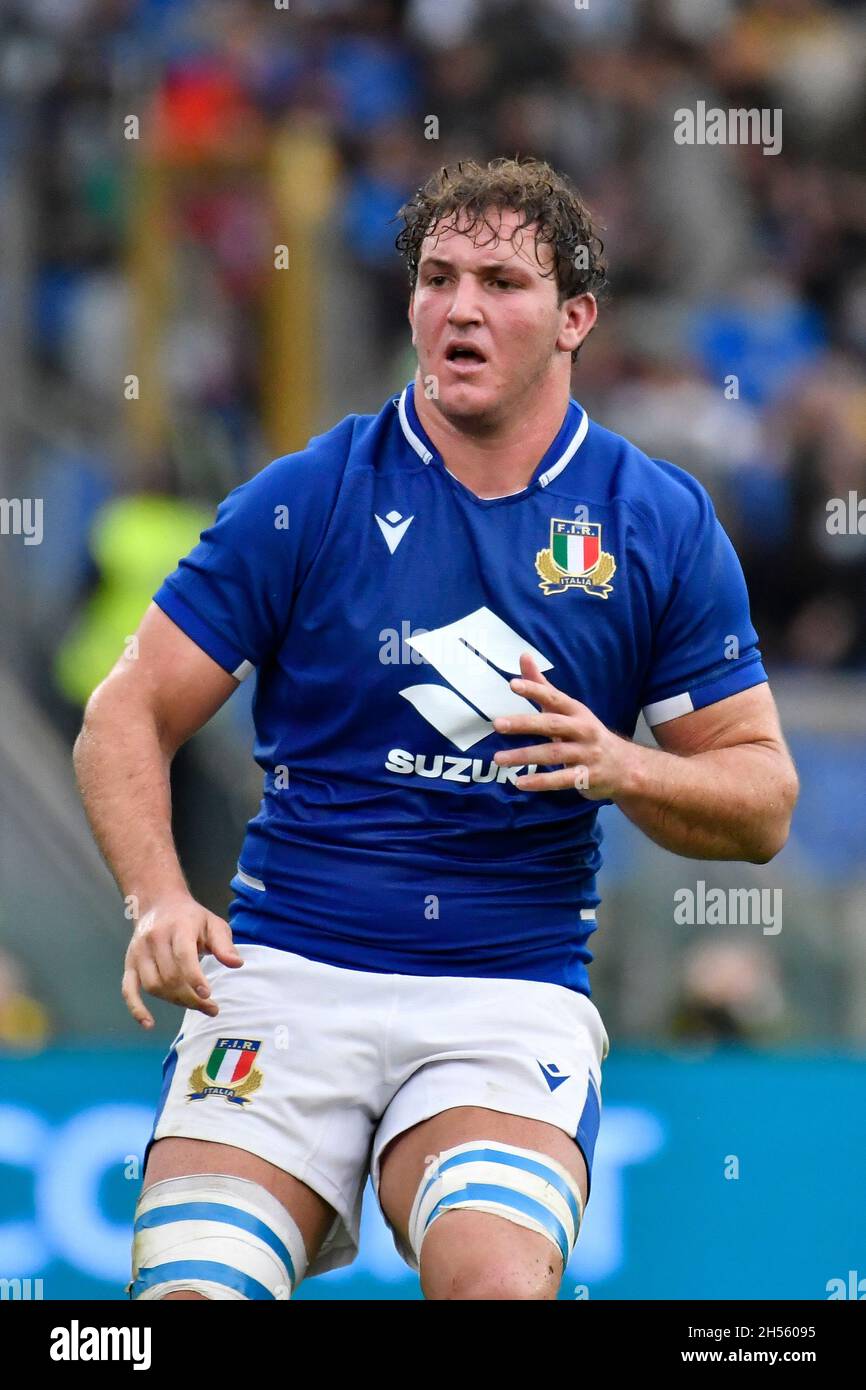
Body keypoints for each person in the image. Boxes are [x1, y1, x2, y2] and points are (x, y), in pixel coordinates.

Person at [73, 157, 799, 1301]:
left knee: (493, 1284)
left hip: (501, 992)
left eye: (501, 281)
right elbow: (125, 710)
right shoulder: (307, 494)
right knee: (188, 1298)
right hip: (285, 972)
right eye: (437, 277)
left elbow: (761, 801)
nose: (460, 306)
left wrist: (621, 766)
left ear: (573, 319)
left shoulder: (653, 519)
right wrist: (158, 896)